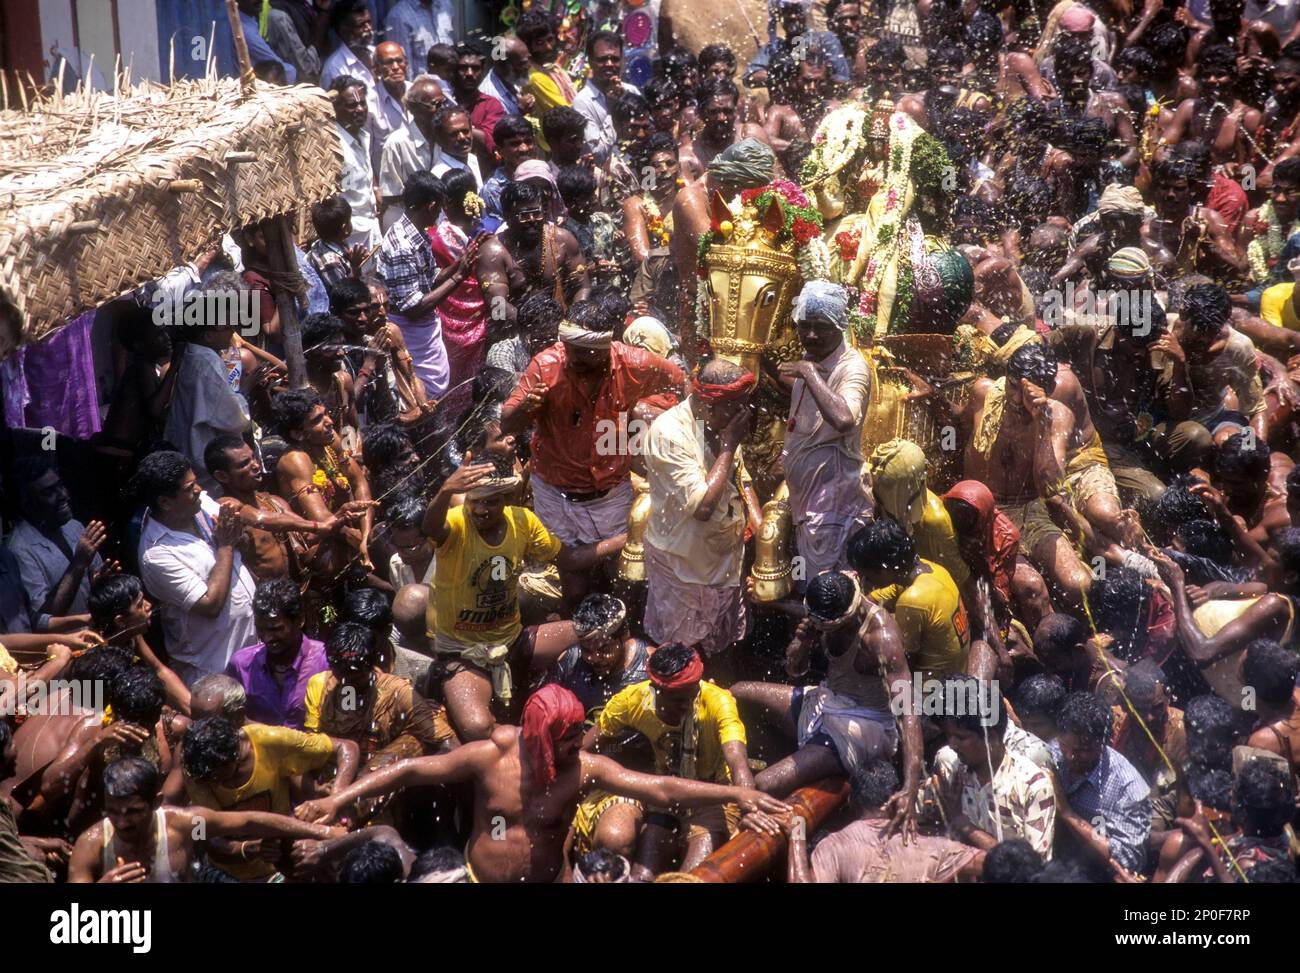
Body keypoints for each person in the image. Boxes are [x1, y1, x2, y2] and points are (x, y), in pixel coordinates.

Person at [295, 683, 790, 883]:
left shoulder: (582, 769)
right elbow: (409, 769)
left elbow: (662, 789)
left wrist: (737, 792)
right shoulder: (492, 754)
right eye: (568, 738)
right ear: (538, 737)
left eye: (579, 735)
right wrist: (338, 798)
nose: (579, 745)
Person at [499, 302, 682, 598]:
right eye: (568, 348)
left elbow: (683, 384)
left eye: (583, 353)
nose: (572, 358)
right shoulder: (546, 366)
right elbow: (507, 424)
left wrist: (651, 414)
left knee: (623, 576)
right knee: (572, 583)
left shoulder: (635, 363)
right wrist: (526, 408)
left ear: (605, 348)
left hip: (610, 493)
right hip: (555, 492)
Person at [732, 570, 924, 806]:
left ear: (842, 619)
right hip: (826, 701)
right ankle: (784, 763)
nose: (816, 625)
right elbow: (794, 671)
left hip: (864, 726)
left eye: (822, 625)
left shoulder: (880, 638)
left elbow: (909, 711)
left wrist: (911, 787)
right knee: (737, 693)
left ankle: (776, 802)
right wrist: (803, 642)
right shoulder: (824, 609)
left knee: (765, 784)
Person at [420, 459, 579, 740]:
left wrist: (622, 541)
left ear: (505, 500)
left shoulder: (523, 521)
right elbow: (431, 529)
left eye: (490, 503)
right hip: (463, 651)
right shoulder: (456, 521)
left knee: (587, 634)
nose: (480, 510)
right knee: (478, 727)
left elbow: (567, 558)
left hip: (511, 638)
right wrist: (445, 491)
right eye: (475, 501)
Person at [583, 644, 762, 871]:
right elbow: (586, 748)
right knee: (641, 876)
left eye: (692, 695)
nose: (688, 705)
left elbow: (738, 763)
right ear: (656, 690)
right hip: (666, 799)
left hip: (715, 796)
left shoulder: (717, 701)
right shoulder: (633, 701)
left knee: (694, 877)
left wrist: (750, 810)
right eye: (679, 700)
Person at [68, 757, 342, 883]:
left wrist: (322, 831)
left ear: (156, 803)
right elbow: (70, 925)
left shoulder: (184, 825)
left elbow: (248, 822)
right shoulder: (91, 846)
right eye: (113, 812)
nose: (122, 822)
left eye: (133, 812)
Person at [642, 359, 753, 670]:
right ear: (707, 404)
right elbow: (703, 507)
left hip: (722, 561)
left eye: (746, 404)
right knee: (683, 657)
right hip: (683, 566)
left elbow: (738, 478)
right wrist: (730, 444)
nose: (745, 413)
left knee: (722, 648)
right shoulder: (670, 433)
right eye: (736, 406)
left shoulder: (722, 420)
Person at [765, 282, 871, 579]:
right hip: (809, 504)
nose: (811, 335)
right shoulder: (813, 358)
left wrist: (808, 373)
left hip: (833, 508)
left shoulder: (852, 367)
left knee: (826, 594)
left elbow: (844, 418)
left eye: (821, 327)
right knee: (810, 587)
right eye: (805, 326)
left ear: (840, 326)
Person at [180, 716, 359, 881]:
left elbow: (346, 748)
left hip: (278, 871)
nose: (212, 782)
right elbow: (206, 839)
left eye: (218, 777)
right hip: (223, 873)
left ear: (233, 758)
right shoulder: (197, 773)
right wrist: (250, 848)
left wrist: (336, 800)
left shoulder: (269, 741)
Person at [133, 451, 256, 686]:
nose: (199, 489)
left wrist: (238, 536)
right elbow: (209, 605)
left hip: (251, 651)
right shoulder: (157, 555)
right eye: (189, 488)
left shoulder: (200, 505)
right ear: (165, 502)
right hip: (214, 670)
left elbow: (242, 542)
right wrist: (226, 545)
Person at [785, 758, 985, 883]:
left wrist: (797, 833)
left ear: (851, 804)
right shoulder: (935, 848)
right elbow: (1007, 862)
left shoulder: (835, 847)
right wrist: (960, 821)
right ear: (899, 801)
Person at [205, 434, 368, 585]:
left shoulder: (275, 501)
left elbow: (305, 538)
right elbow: (259, 519)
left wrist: (339, 516)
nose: (255, 465)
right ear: (222, 476)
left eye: (253, 458)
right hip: (265, 600)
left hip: (295, 594)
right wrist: (319, 526)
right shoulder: (225, 506)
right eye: (244, 464)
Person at [378, 170, 479, 400]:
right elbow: (413, 308)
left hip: (423, 329)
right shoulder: (402, 246)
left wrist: (458, 266)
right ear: (432, 206)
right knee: (421, 396)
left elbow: (430, 277)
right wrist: (457, 278)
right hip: (410, 330)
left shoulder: (416, 234)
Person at [933, 675, 1057, 858]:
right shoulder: (951, 769)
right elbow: (917, 811)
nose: (952, 744)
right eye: (949, 736)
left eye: (961, 737)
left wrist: (963, 824)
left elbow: (1031, 869)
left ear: (990, 736)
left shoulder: (1032, 785)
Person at [302, 621, 454, 765]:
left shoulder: (397, 691)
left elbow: (449, 744)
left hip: (379, 778)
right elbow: (313, 747)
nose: (349, 685)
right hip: (330, 779)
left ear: (373, 664)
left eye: (357, 678)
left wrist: (409, 772)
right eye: (341, 676)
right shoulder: (320, 685)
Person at [847, 518, 975, 680]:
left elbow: (901, 663)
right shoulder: (931, 569)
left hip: (932, 691)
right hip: (956, 676)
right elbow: (872, 600)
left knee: (857, 664)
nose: (865, 580)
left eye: (866, 574)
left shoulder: (912, 601)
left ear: (884, 570)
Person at [1049, 690, 1152, 877]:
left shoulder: (1129, 790)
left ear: (1105, 743)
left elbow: (1128, 860)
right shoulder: (1053, 753)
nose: (1071, 757)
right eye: (1065, 746)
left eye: (1083, 751)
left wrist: (1067, 813)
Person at [6, 456, 104, 629]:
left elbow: (96, 581)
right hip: (64, 647)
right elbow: (45, 618)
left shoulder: (74, 527)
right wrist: (78, 563)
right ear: (26, 503)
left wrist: (103, 582)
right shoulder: (19, 550)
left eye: (60, 486)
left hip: (97, 634)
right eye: (49, 492)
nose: (64, 495)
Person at [476, 180, 591, 322]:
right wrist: (532, 325)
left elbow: (582, 286)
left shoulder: (562, 240)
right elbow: (498, 309)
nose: (532, 220)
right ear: (506, 216)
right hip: (513, 331)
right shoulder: (492, 252)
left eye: (536, 213)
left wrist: (576, 318)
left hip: (560, 326)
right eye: (523, 216)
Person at [224, 579, 327, 731]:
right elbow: (229, 719)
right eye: (261, 629)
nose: (267, 638)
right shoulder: (241, 665)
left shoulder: (327, 660)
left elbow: (350, 708)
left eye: (276, 629)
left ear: (300, 620)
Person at [378, 76, 446, 230]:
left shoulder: (444, 137)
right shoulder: (396, 143)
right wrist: (423, 194)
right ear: (415, 108)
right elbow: (389, 194)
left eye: (444, 103)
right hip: (403, 220)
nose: (442, 110)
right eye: (437, 104)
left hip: (435, 217)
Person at [571, 31, 640, 165]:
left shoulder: (632, 91)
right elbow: (596, 155)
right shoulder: (582, 102)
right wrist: (613, 112)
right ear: (590, 61)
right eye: (602, 59)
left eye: (615, 59)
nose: (609, 64)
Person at [384, 0, 455, 82]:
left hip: (451, 87)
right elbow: (404, 68)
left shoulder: (445, 5)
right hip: (424, 90)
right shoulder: (398, 16)